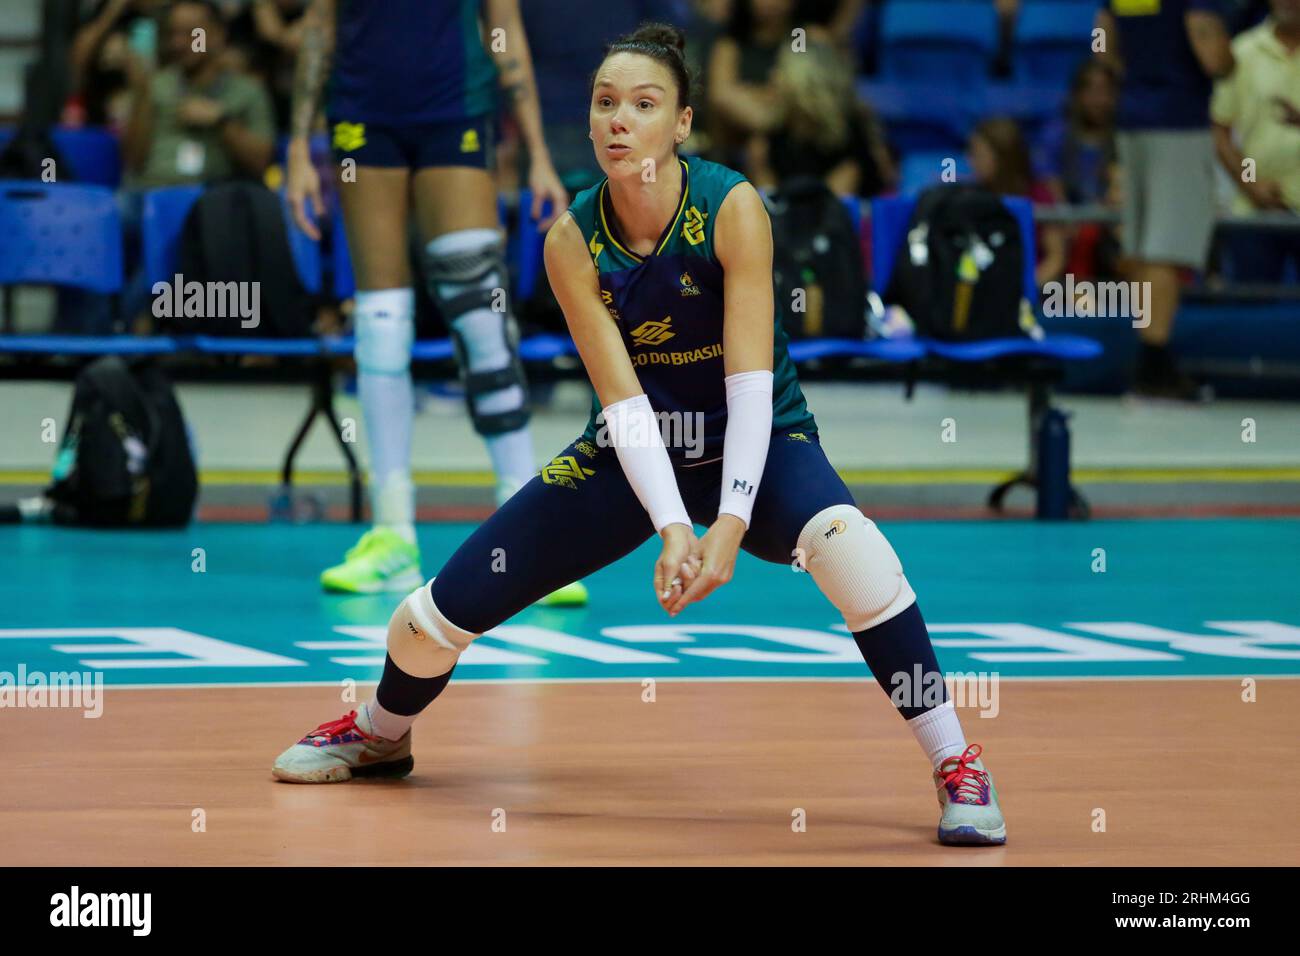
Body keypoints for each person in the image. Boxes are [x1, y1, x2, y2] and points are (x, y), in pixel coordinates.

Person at [272, 21, 1008, 847]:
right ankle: (379, 732)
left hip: (755, 445)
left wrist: (727, 524)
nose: (620, 119)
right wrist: (672, 528)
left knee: (853, 549)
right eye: (605, 103)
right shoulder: (571, 240)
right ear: (589, 123)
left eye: (644, 104)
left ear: (682, 124)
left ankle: (955, 760)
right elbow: (624, 410)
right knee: (418, 623)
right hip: (631, 454)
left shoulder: (733, 209)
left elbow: (752, 387)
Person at [285, 0, 583, 602]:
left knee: (483, 317)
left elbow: (503, 26)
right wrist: (298, 147)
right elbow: (320, 24)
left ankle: (527, 534)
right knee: (380, 322)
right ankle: (392, 533)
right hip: (362, 117)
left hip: (456, 109)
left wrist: (538, 154)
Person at [1096, 0, 1234, 398]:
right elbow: (1210, 54)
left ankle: (1149, 353)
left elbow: (1101, 43)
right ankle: (1154, 361)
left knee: (1142, 242)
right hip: (1178, 119)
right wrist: (1227, 62)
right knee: (1167, 247)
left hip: (1133, 115)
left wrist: (1136, 75)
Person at [1210, 0, 1300, 282]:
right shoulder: (1242, 51)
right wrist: (1251, 183)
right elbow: (1219, 129)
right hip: (1254, 210)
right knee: (1252, 316)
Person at [968, 117, 1068, 289]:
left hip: (1033, 296)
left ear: (1001, 157)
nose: (971, 161)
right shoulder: (971, 197)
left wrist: (1024, 289)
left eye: (978, 154)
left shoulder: (1039, 196)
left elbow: (1056, 259)